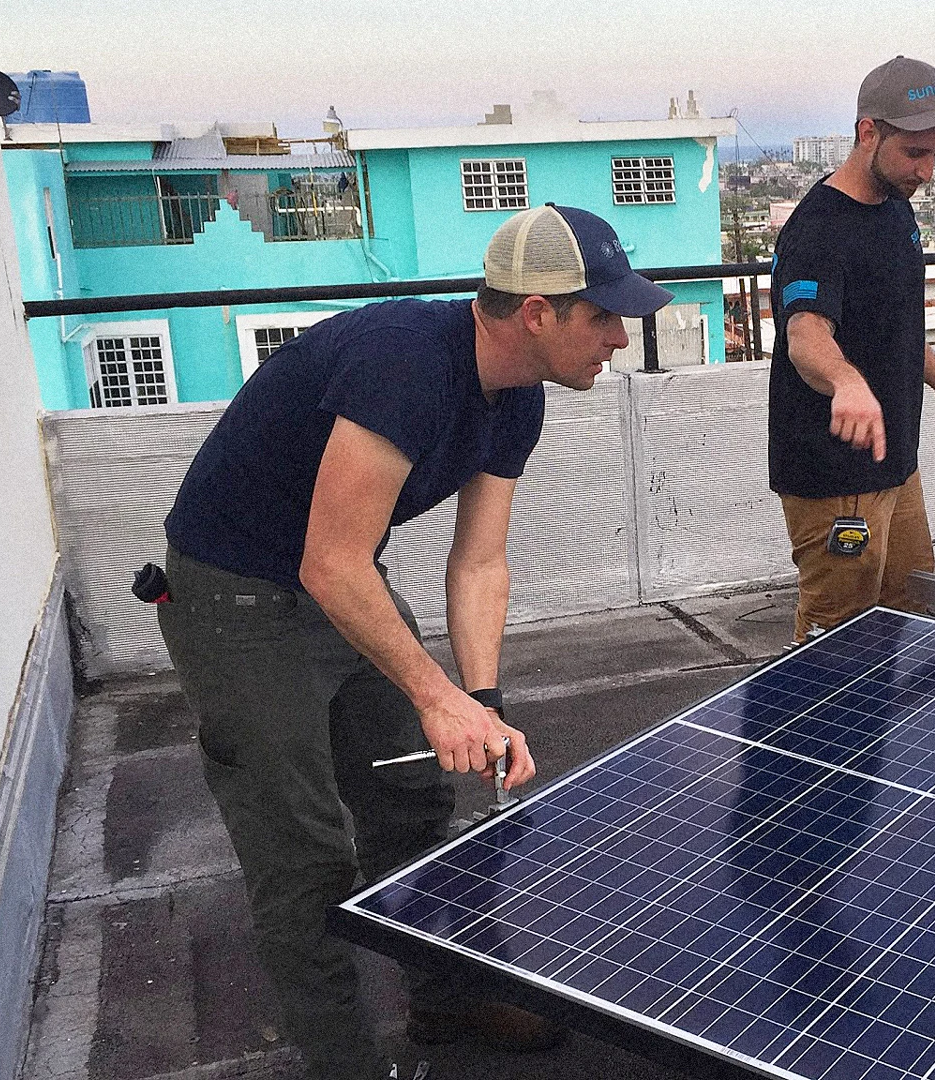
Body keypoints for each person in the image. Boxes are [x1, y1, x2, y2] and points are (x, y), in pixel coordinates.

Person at [155, 204, 671, 1080]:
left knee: (412, 802)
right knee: (305, 853)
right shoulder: (405, 365)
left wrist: (483, 705)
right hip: (235, 597)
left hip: (339, 578)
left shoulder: (518, 396)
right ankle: (346, 1065)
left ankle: (446, 1000)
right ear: (537, 312)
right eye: (602, 316)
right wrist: (436, 696)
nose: (621, 337)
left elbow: (480, 562)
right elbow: (330, 562)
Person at [767, 55, 935, 642]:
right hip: (833, 474)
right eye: (915, 153)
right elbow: (805, 333)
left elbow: (898, 325)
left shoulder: (896, 210)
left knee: (912, 610)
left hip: (896, 463)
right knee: (838, 638)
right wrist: (845, 380)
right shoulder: (818, 229)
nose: (928, 171)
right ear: (868, 133)